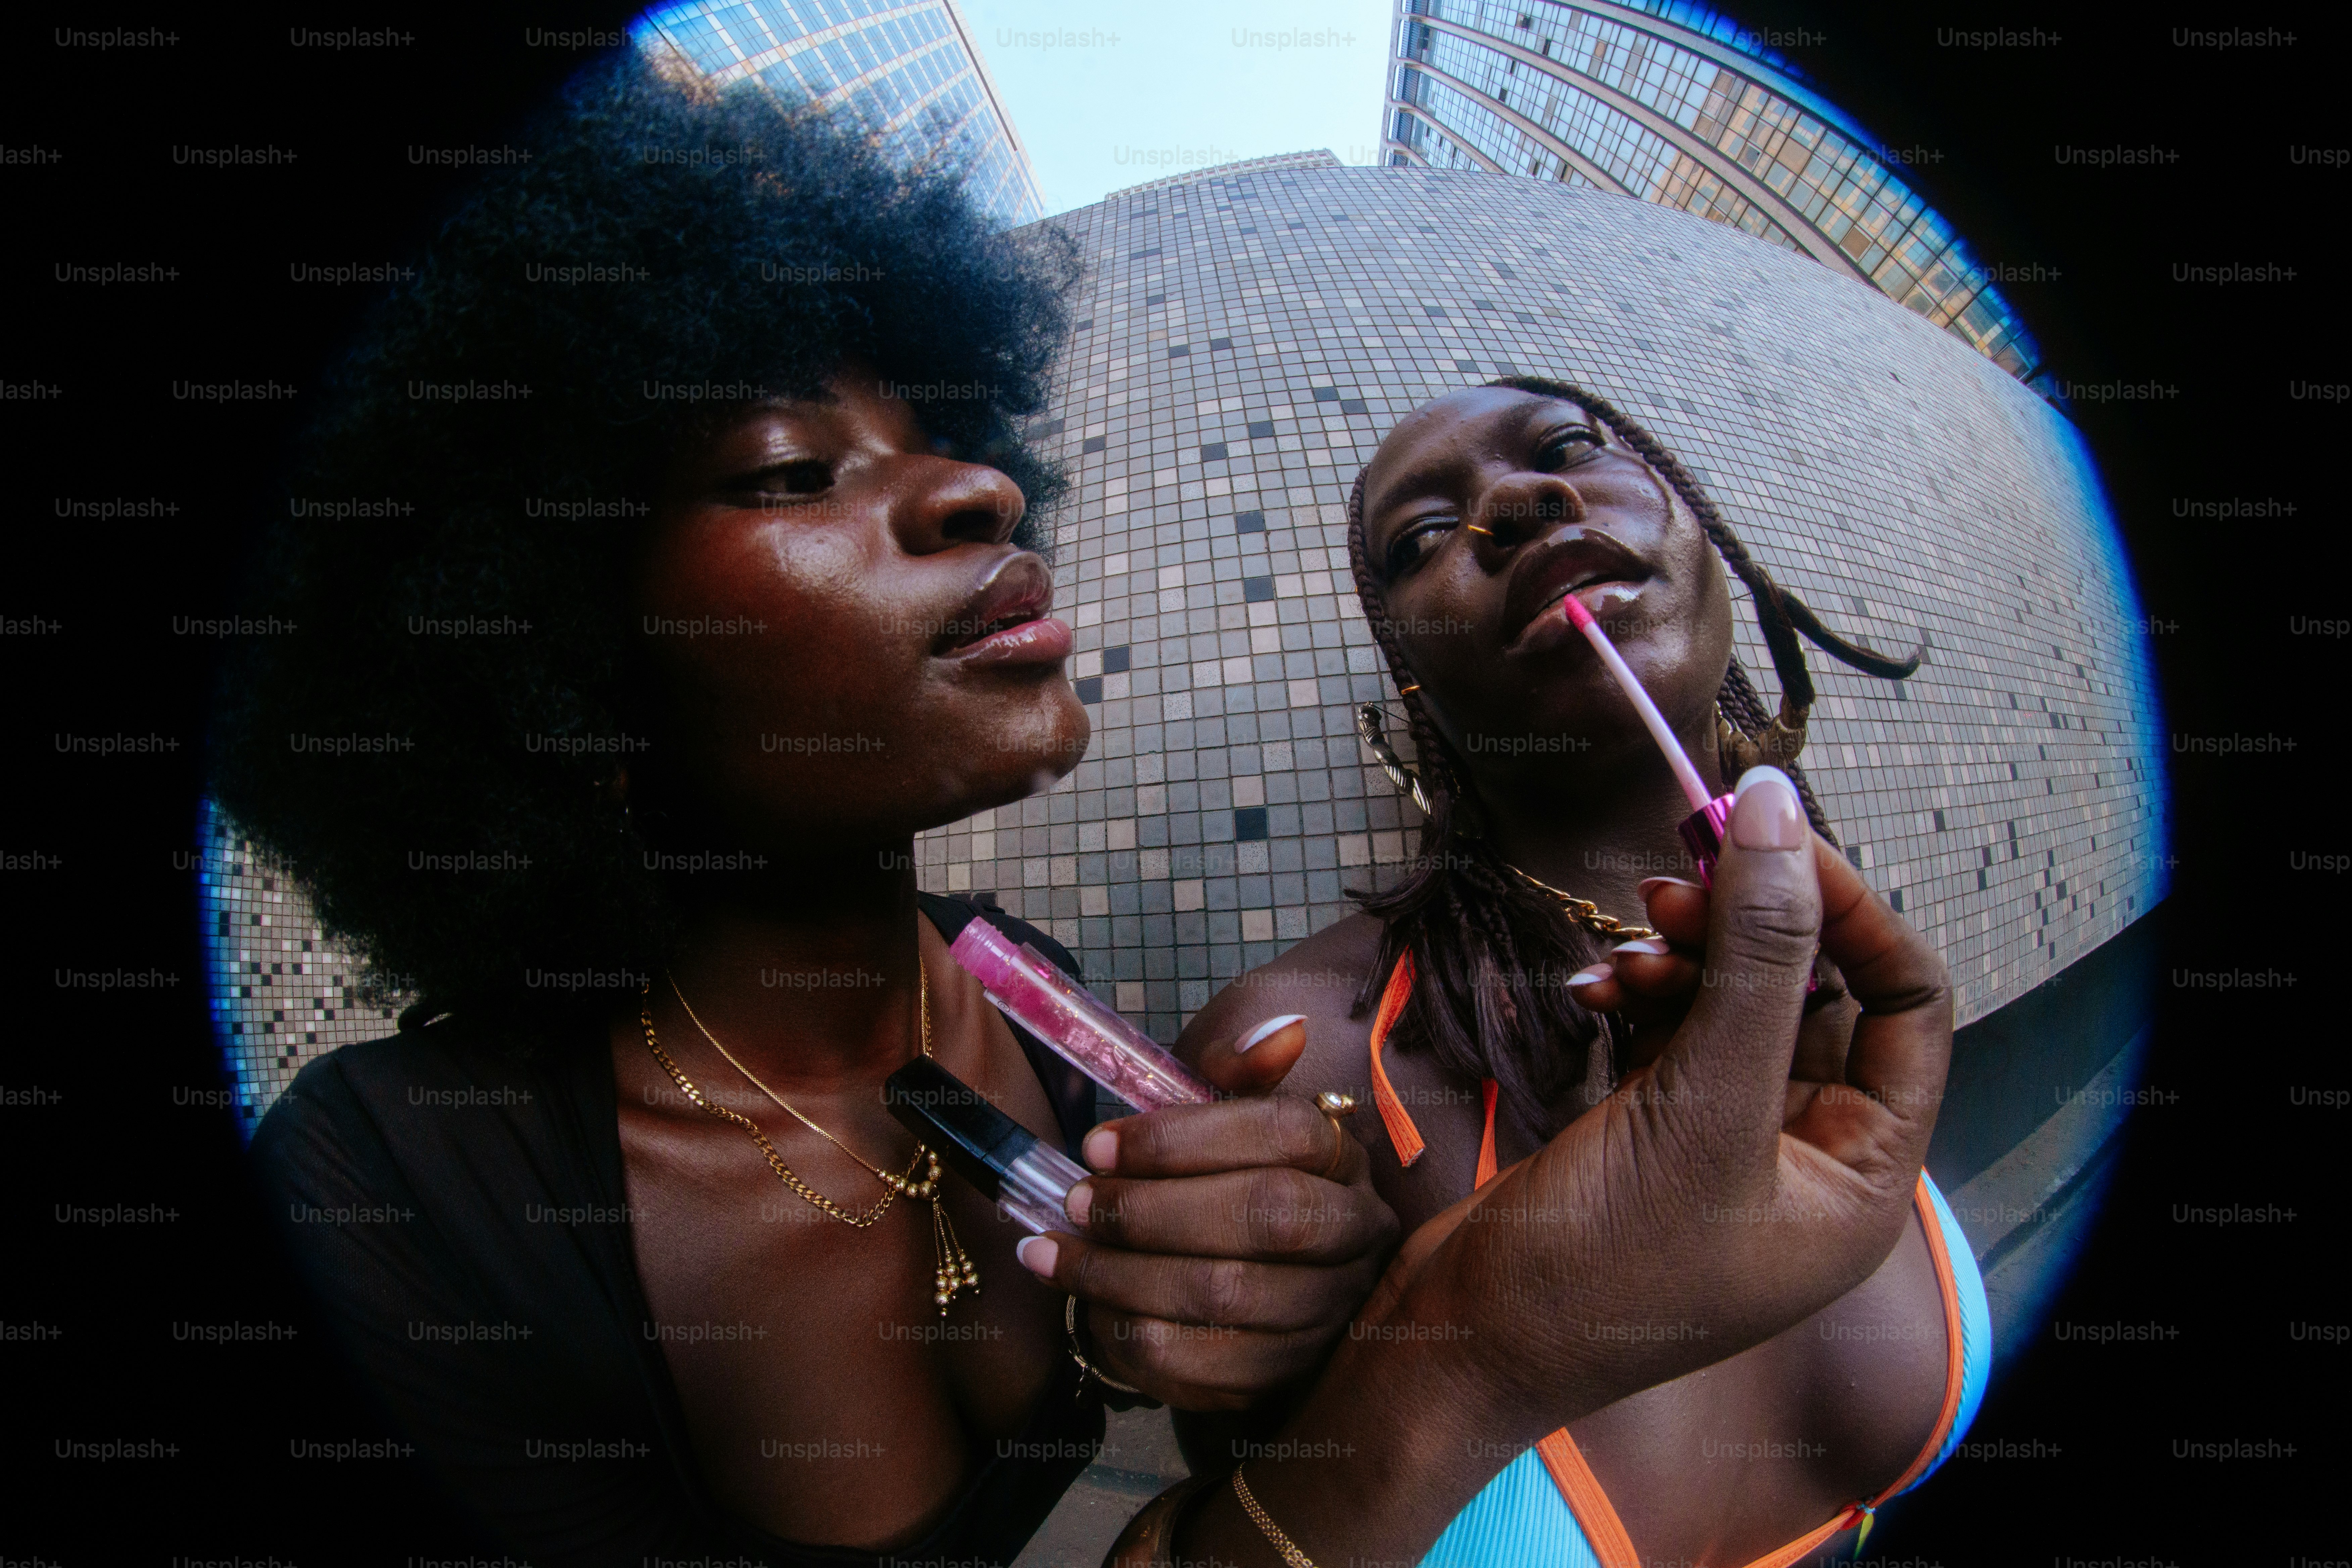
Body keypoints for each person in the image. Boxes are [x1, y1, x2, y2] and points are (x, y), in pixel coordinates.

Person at [213, 53, 1398, 1566]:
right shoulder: (399, 1191)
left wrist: (1289, 1316)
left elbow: (1214, 1373)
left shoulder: (1021, 991)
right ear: (556, 672)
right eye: (786, 474)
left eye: (939, 439)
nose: (979, 490)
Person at [1078, 380, 1987, 1566]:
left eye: (1567, 447)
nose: (1517, 496)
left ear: (1702, 531)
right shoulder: (1317, 1056)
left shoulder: (1842, 994)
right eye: (1421, 539)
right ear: (1417, 684)